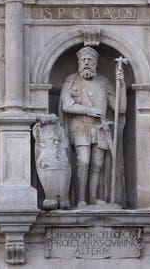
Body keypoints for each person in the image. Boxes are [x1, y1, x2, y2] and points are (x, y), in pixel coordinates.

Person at [59, 46, 125, 207]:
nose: (87, 63)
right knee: (84, 161)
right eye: (84, 60)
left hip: (100, 127)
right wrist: (87, 110)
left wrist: (121, 85)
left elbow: (120, 108)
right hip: (80, 126)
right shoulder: (71, 80)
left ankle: (93, 198)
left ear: (95, 63)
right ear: (79, 62)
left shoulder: (104, 82)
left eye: (90, 60)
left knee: (97, 164)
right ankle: (81, 198)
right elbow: (66, 105)